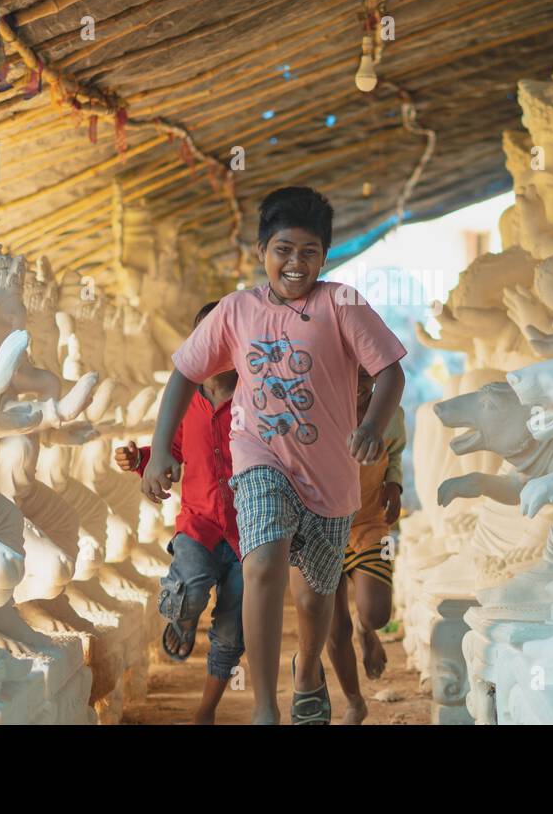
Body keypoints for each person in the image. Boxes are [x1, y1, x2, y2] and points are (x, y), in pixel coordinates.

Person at [143, 186, 406, 725]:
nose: (295, 263)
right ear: (262, 249)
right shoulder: (237, 310)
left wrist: (372, 427)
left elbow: (389, 372)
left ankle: (307, 669)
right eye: (284, 249)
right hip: (259, 458)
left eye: (309, 252)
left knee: (314, 599)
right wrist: (159, 450)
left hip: (331, 476)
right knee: (262, 564)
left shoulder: (342, 303)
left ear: (325, 257)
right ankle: (265, 708)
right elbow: (185, 373)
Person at [116, 300, 243, 725]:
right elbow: (171, 450)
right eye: (205, 338)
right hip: (199, 523)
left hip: (249, 532)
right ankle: (183, 621)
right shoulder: (184, 400)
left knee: (232, 628)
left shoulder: (255, 395)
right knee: (189, 588)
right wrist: (141, 459)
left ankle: (206, 710)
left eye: (225, 337)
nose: (215, 348)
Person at [325, 367, 406, 724]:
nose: (358, 384)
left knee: (377, 613)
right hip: (322, 525)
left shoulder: (392, 413)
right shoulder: (322, 406)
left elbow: (396, 454)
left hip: (372, 522)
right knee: (333, 627)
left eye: (366, 375)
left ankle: (366, 629)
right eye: (350, 373)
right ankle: (355, 702)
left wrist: (394, 484)